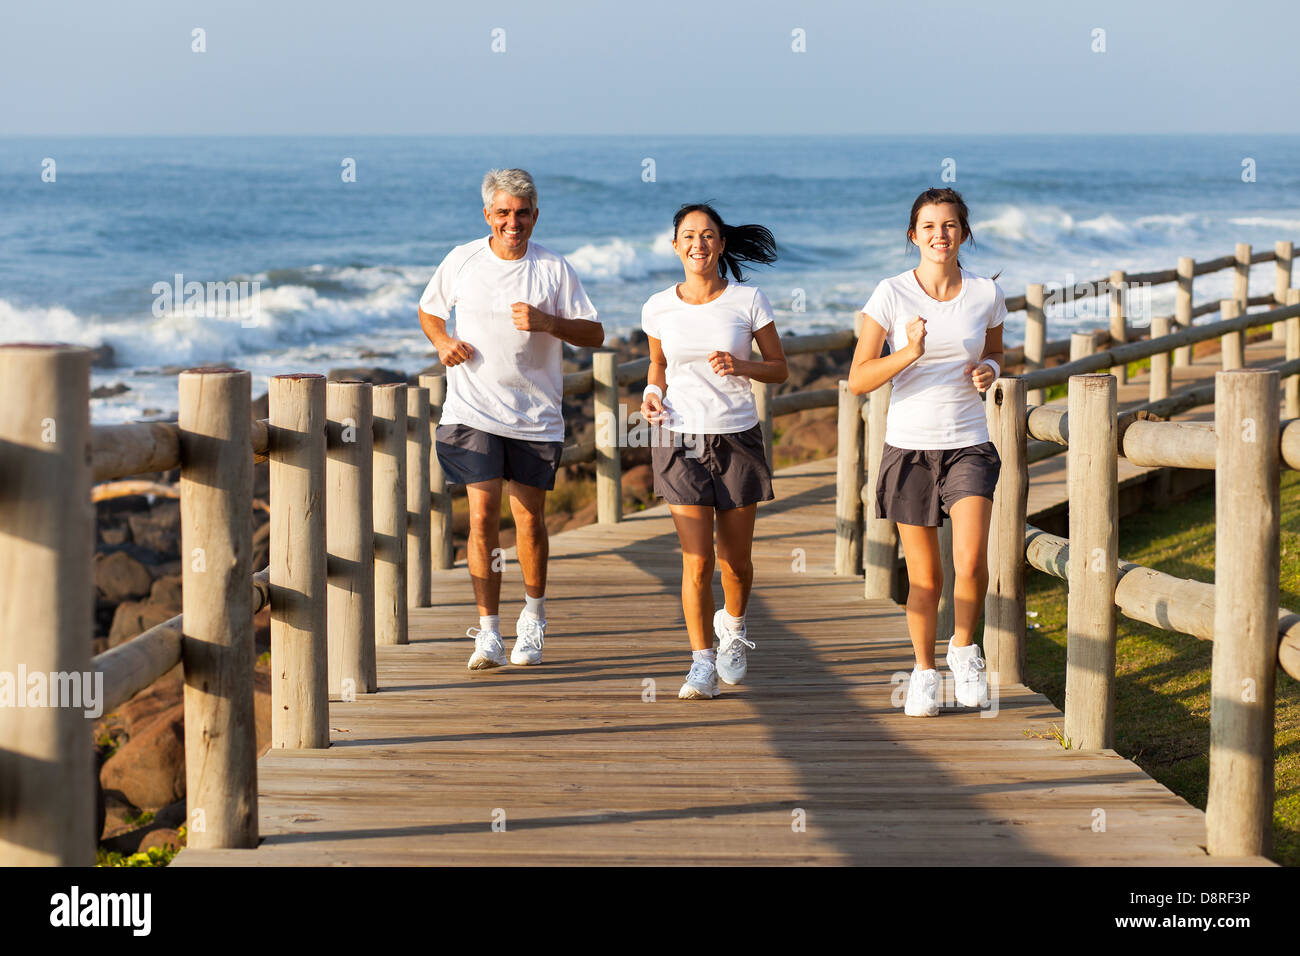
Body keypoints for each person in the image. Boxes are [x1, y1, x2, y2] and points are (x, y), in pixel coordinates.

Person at [418, 168, 604, 670]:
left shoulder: (554, 269)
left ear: (535, 216)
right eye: (503, 213)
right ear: (488, 215)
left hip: (535, 417)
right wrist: (441, 341)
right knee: (480, 519)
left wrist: (548, 323)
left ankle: (534, 619)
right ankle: (488, 633)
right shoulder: (463, 260)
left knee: (529, 520)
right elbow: (430, 310)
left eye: (522, 213)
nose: (513, 222)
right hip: (472, 410)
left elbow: (594, 334)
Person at [848, 187, 1005, 717]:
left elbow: (998, 351)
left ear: (964, 233)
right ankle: (922, 671)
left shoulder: (984, 293)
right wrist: (908, 353)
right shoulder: (890, 294)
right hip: (910, 449)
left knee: (970, 559)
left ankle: (964, 649)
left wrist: (993, 371)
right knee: (925, 578)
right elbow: (858, 379)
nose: (941, 235)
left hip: (968, 445)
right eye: (930, 226)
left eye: (951, 225)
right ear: (913, 235)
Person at [640, 203, 788, 700]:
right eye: (688, 235)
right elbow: (657, 366)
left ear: (721, 245)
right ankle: (701, 661)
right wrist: (652, 394)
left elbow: (779, 368)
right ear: (675, 245)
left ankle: (734, 626)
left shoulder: (748, 300)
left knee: (736, 562)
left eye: (708, 236)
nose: (698, 243)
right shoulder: (659, 306)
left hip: (737, 438)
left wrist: (741, 367)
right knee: (696, 561)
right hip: (679, 439)